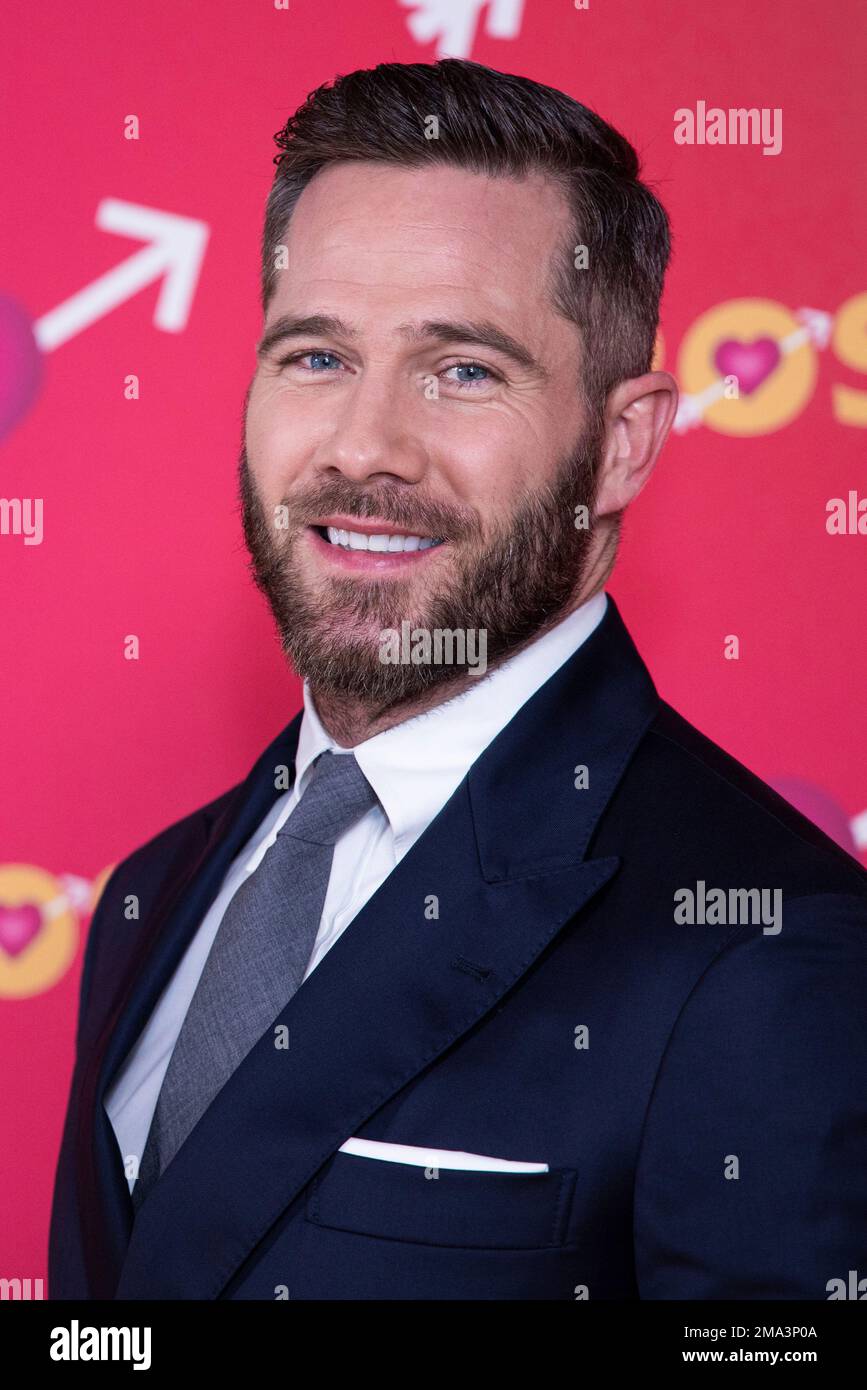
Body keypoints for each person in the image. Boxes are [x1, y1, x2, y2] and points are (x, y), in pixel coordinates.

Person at [49, 58, 867, 1301]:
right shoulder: (152, 897)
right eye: (316, 356)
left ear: (623, 442)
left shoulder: (764, 951)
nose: (364, 445)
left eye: (465, 370)